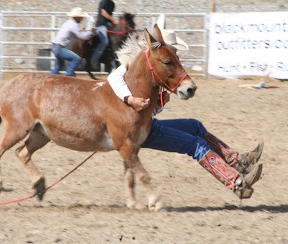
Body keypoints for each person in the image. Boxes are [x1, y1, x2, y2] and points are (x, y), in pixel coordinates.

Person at [107, 29, 264, 199]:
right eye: (172, 50)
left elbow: (152, 111)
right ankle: (236, 183)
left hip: (147, 123)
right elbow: (113, 79)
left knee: (194, 126)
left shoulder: (157, 69)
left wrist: (159, 104)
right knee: (195, 144)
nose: (174, 53)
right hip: (139, 129)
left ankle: (239, 161)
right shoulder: (135, 66)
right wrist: (130, 99)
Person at [50, 7, 94, 77]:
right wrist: (90, 32)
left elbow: (76, 33)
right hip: (60, 48)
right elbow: (82, 36)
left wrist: (82, 31)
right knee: (76, 59)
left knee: (59, 66)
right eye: (81, 17)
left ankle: (49, 78)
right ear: (77, 17)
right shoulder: (74, 25)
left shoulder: (69, 23)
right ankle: (69, 77)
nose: (82, 18)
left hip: (55, 46)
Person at [91, 0, 125, 69]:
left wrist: (114, 23)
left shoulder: (112, 4)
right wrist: (114, 21)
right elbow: (104, 13)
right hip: (101, 25)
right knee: (105, 41)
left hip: (107, 25)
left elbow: (108, 16)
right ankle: (94, 60)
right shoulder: (105, 1)